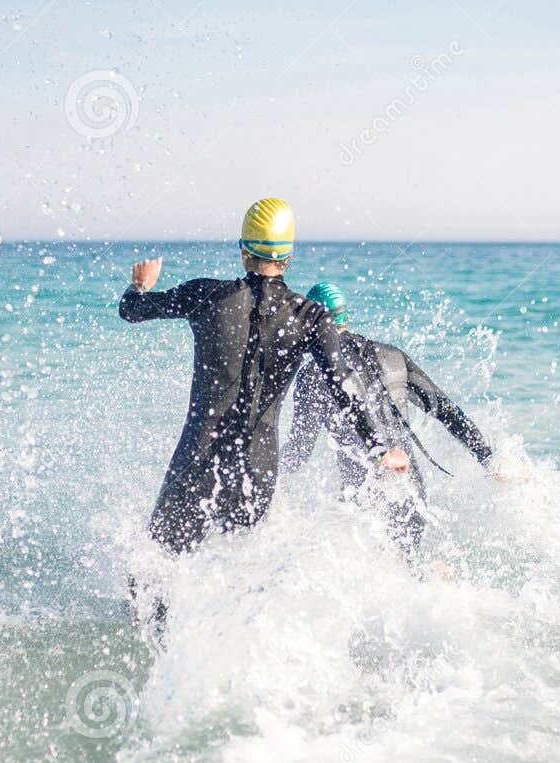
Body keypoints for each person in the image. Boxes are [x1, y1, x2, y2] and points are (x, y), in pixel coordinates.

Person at [119, 197, 409, 564]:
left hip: (197, 461)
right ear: (288, 256)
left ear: (243, 249)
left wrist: (139, 286)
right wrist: (379, 447)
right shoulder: (310, 316)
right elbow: (342, 383)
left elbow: (130, 311)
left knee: (154, 569)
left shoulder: (206, 295)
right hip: (257, 468)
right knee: (236, 574)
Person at [282, 282, 506, 559]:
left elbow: (299, 451)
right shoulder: (392, 356)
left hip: (364, 503)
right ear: (345, 316)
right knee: (407, 564)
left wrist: (259, 470)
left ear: (311, 323)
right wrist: (488, 458)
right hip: (411, 491)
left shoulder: (312, 375)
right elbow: (446, 411)